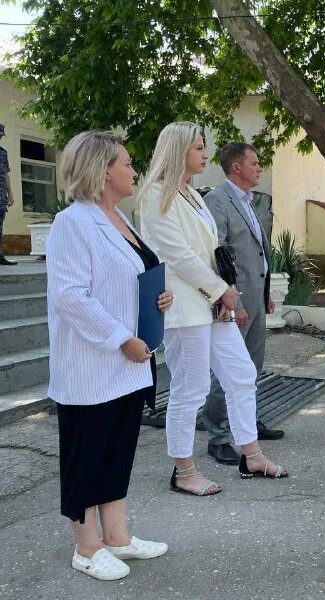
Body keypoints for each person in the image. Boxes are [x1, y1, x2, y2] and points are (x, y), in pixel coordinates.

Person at [47, 131, 173, 580]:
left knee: (117, 451)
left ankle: (117, 537)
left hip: (128, 366)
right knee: (87, 455)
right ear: (102, 171)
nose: (133, 170)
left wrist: (157, 299)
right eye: (127, 162)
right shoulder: (73, 222)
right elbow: (71, 297)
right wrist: (122, 337)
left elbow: (129, 278)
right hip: (93, 366)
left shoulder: (122, 219)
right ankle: (86, 547)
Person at [139, 122, 288, 493]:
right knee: (191, 388)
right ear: (177, 151)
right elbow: (178, 255)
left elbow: (211, 253)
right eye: (199, 148)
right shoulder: (156, 195)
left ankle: (250, 454)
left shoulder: (190, 193)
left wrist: (222, 293)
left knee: (240, 374)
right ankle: (184, 471)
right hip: (184, 305)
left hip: (211, 302)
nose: (205, 155)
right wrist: (222, 292)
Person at [202, 142, 283, 466]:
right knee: (228, 371)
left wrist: (263, 294)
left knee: (251, 369)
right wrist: (232, 298)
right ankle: (219, 436)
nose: (259, 168)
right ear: (236, 167)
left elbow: (255, 254)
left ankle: (247, 426)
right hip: (232, 301)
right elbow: (217, 253)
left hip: (255, 298)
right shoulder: (217, 201)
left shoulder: (250, 201)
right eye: (255, 162)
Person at [0, 123, 15, 265]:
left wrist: (10, 194)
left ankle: (0, 256)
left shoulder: (3, 153)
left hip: (1, 198)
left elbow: (6, 175)